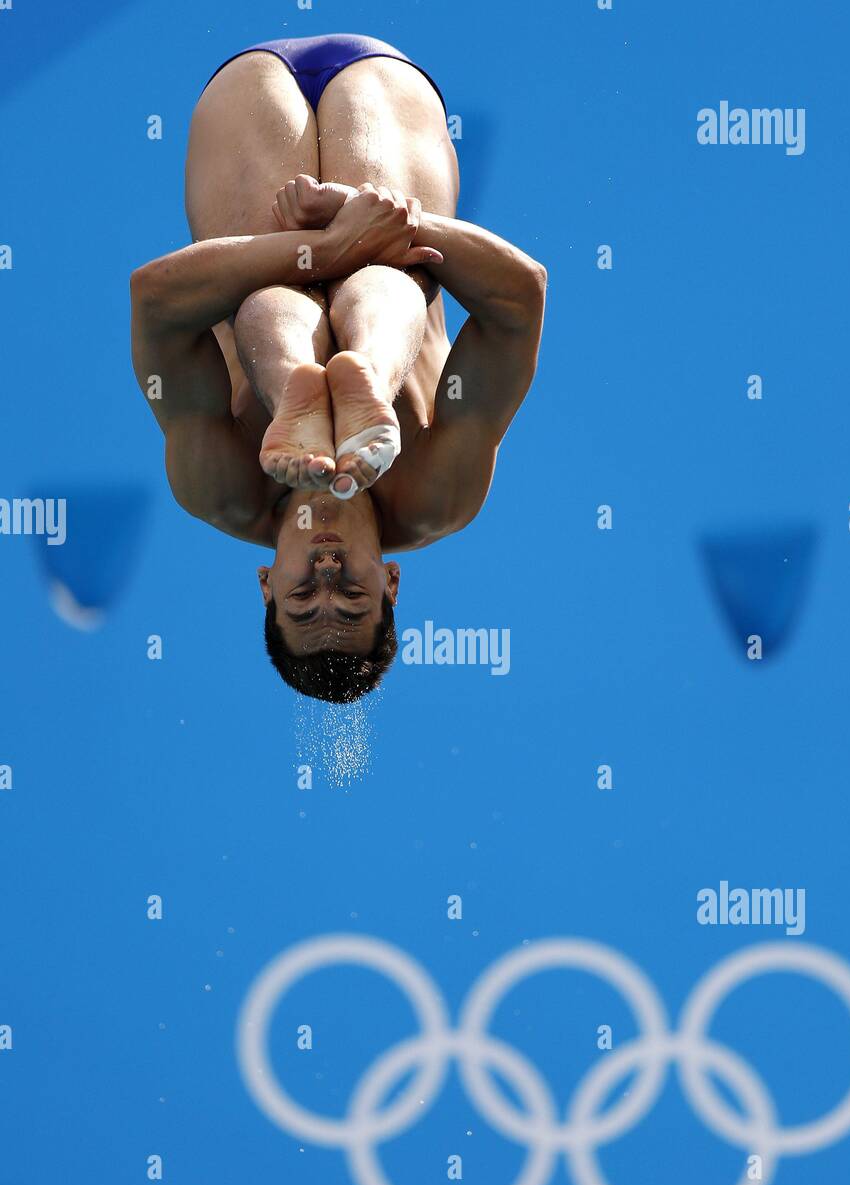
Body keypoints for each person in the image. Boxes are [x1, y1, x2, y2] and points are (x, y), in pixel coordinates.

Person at [130, 34, 546, 702]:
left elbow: (154, 300)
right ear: (390, 582)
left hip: (248, 104)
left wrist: (322, 246)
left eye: (302, 596)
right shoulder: (437, 496)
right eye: (350, 595)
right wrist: (382, 222)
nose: (326, 570)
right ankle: (368, 378)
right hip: (382, 100)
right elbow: (519, 297)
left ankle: (300, 374)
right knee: (381, 288)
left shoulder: (221, 488)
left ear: (266, 584)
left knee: (272, 303)